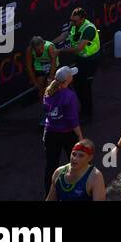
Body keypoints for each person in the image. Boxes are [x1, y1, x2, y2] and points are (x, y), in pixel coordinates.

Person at [41, 66, 82, 198]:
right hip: (67, 134)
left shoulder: (48, 92)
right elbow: (73, 120)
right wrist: (80, 137)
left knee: (51, 165)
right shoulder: (69, 95)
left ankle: (49, 195)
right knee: (78, 163)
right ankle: (80, 191)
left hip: (50, 133)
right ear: (68, 80)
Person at [60, 7, 100, 120]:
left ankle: (88, 113)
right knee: (77, 84)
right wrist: (50, 44)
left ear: (82, 20)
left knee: (85, 86)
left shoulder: (89, 29)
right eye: (71, 20)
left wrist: (60, 51)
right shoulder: (73, 24)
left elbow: (78, 48)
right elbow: (64, 35)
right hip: (80, 60)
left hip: (90, 61)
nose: (72, 22)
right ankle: (83, 109)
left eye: (75, 21)